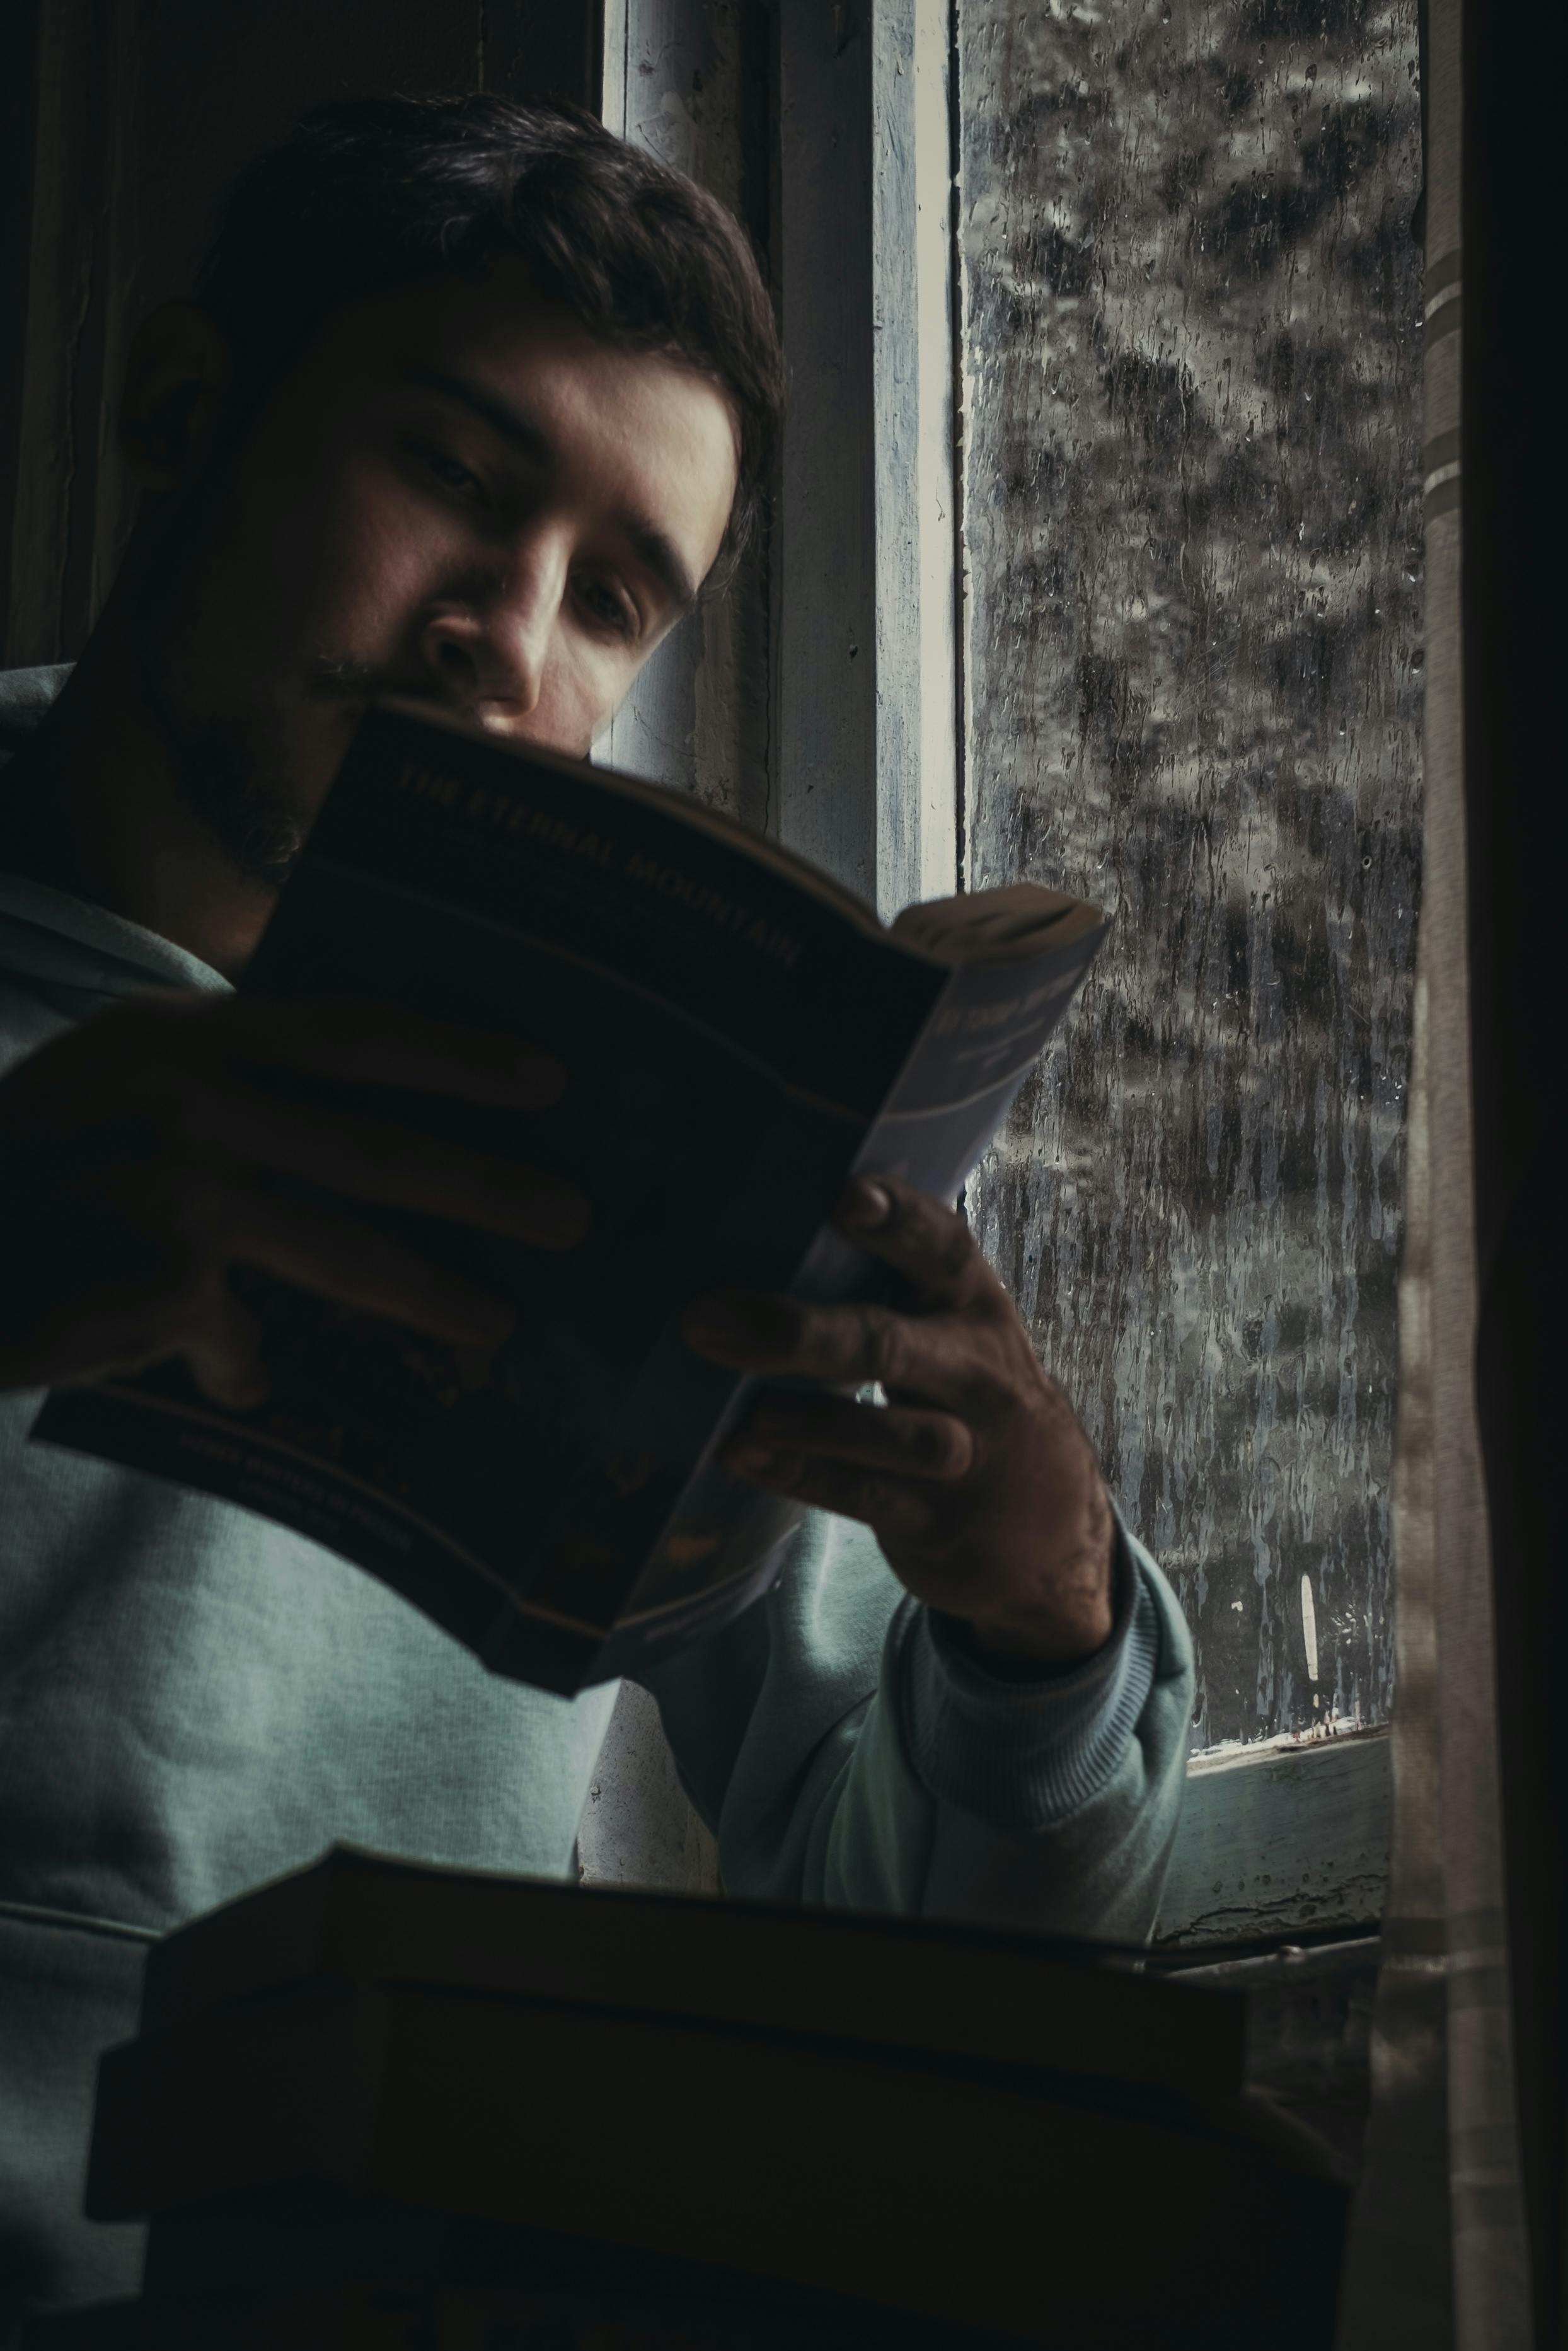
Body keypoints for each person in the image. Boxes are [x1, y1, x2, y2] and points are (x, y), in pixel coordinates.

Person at [0, 96, 1194, 2333]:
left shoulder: (612, 1153)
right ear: (181, 411)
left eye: (614, 594)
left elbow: (917, 1996)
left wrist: (1034, 1626)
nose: (506, 633)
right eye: (451, 473)